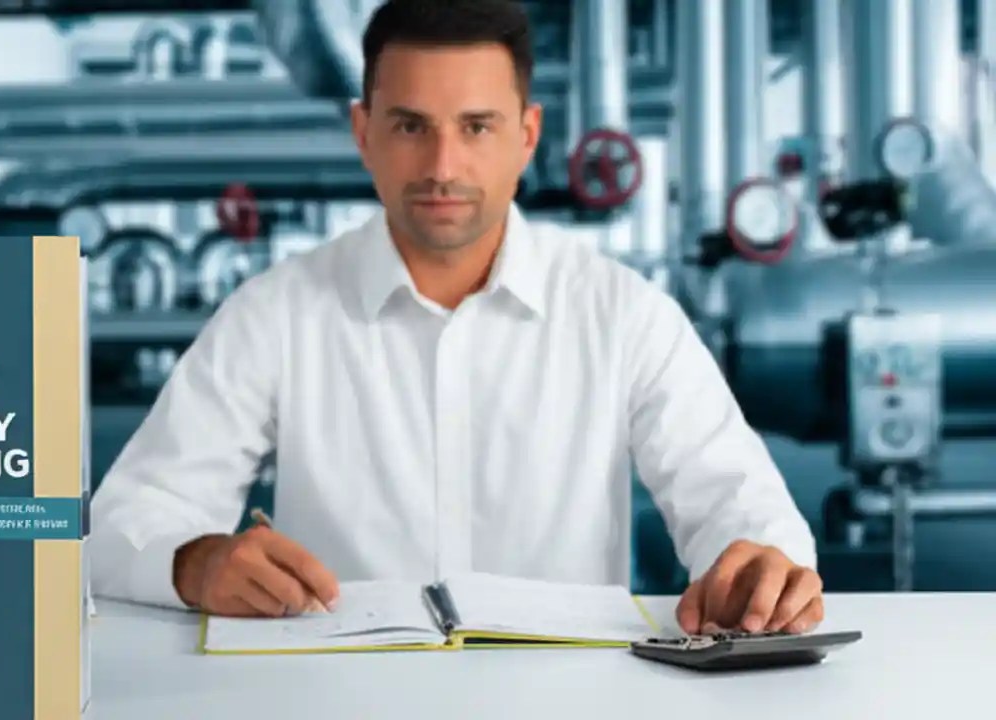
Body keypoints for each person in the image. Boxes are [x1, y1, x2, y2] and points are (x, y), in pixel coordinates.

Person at [88, 0, 824, 636]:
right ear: (363, 131)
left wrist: (761, 568)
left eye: (476, 127)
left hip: (562, 705)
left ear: (526, 136)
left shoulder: (624, 314)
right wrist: (195, 561)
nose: (443, 165)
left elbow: (743, 507)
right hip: (338, 702)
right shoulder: (274, 314)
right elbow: (124, 523)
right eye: (411, 126)